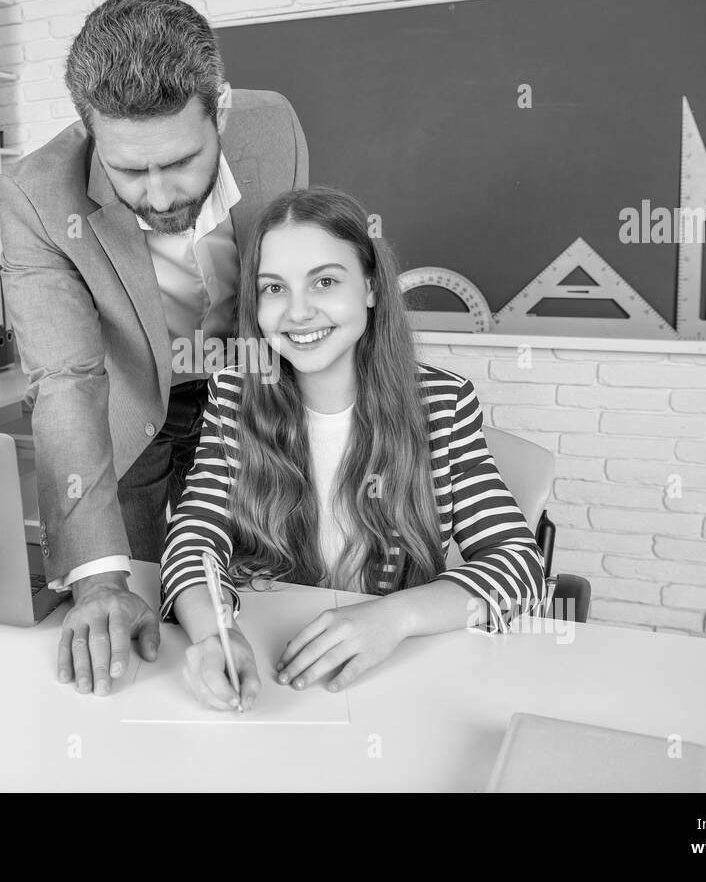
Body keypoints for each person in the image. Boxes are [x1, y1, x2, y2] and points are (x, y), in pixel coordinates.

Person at [0, 0, 308, 695]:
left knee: (260, 590)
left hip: (242, 383)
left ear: (219, 110)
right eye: (131, 172)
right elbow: (66, 378)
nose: (162, 196)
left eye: (183, 162)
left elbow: (294, 278)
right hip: (127, 399)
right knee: (129, 608)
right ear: (89, 131)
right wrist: (98, 580)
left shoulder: (274, 130)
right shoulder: (36, 194)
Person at [160, 186, 547, 711]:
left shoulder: (443, 403)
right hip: (275, 665)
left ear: (369, 286)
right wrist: (213, 636)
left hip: (390, 675)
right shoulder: (233, 394)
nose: (298, 312)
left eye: (324, 281)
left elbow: (520, 567)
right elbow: (193, 537)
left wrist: (396, 617)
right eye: (273, 288)